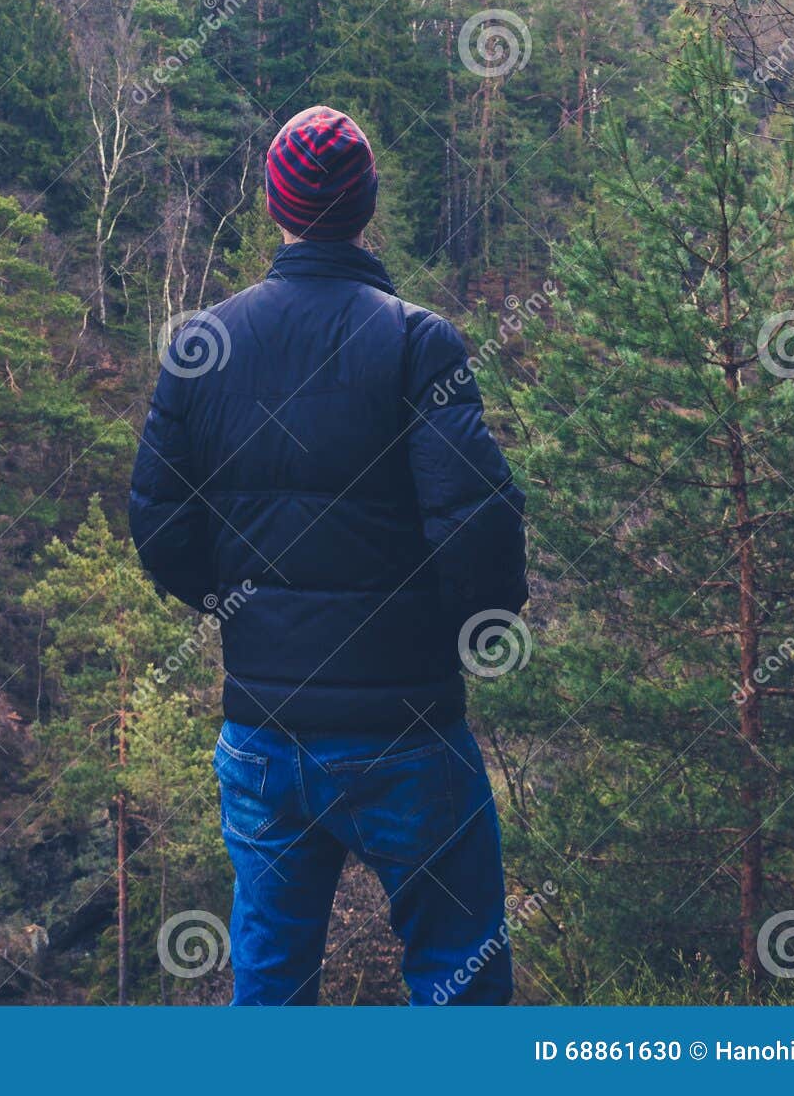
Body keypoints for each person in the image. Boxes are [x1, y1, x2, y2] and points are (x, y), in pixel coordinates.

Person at [128, 105, 529, 1005]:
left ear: (277, 206)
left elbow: (159, 525)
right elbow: (481, 527)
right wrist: (462, 634)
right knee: (459, 980)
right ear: (368, 206)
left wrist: (248, 611)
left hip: (265, 732)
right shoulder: (416, 341)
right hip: (409, 729)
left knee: (270, 987)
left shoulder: (204, 345)